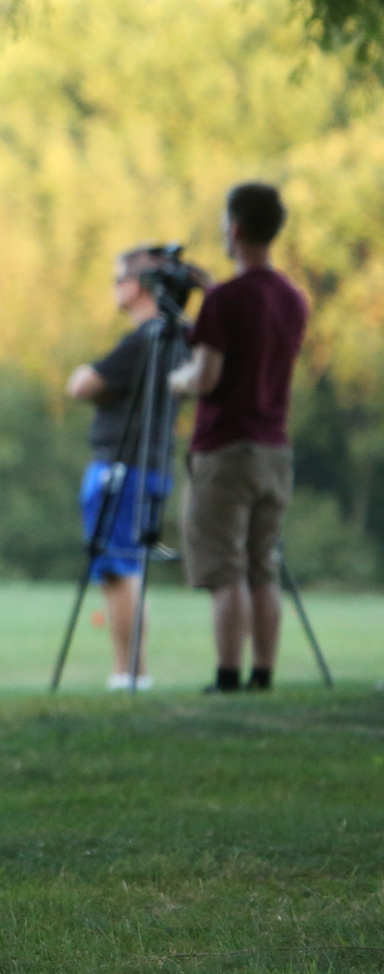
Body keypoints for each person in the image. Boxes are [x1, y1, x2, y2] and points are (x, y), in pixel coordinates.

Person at [169, 183, 309, 694]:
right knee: (262, 567)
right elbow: (255, 335)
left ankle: (227, 676)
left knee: (225, 570)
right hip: (275, 447)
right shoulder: (293, 299)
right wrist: (214, 296)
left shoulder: (225, 301)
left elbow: (205, 378)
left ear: (235, 228)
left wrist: (174, 380)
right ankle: (263, 675)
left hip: (226, 449)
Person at [65, 246, 189, 691]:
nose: (115, 287)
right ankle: (132, 671)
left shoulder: (144, 339)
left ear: (139, 287)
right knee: (127, 568)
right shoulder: (181, 336)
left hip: (124, 467)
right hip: (152, 465)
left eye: (119, 279)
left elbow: (83, 384)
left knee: (119, 570)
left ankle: (129, 673)